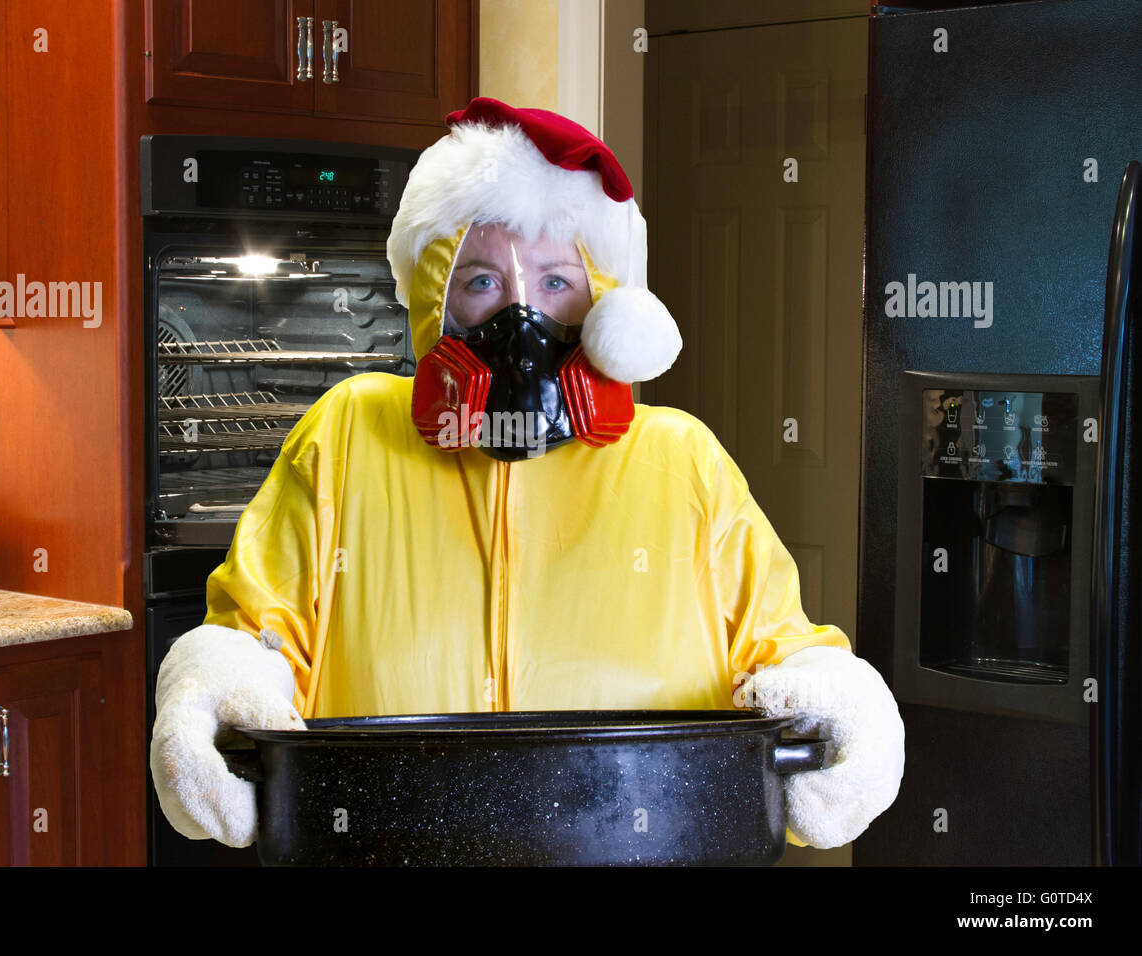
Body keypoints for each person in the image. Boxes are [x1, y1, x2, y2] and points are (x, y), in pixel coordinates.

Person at [151, 97, 904, 854]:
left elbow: (780, 656)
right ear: (432, 307)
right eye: (480, 282)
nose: (521, 320)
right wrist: (214, 688)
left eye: (554, 283)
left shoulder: (682, 462)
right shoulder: (348, 438)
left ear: (606, 304)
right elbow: (256, 636)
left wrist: (838, 702)